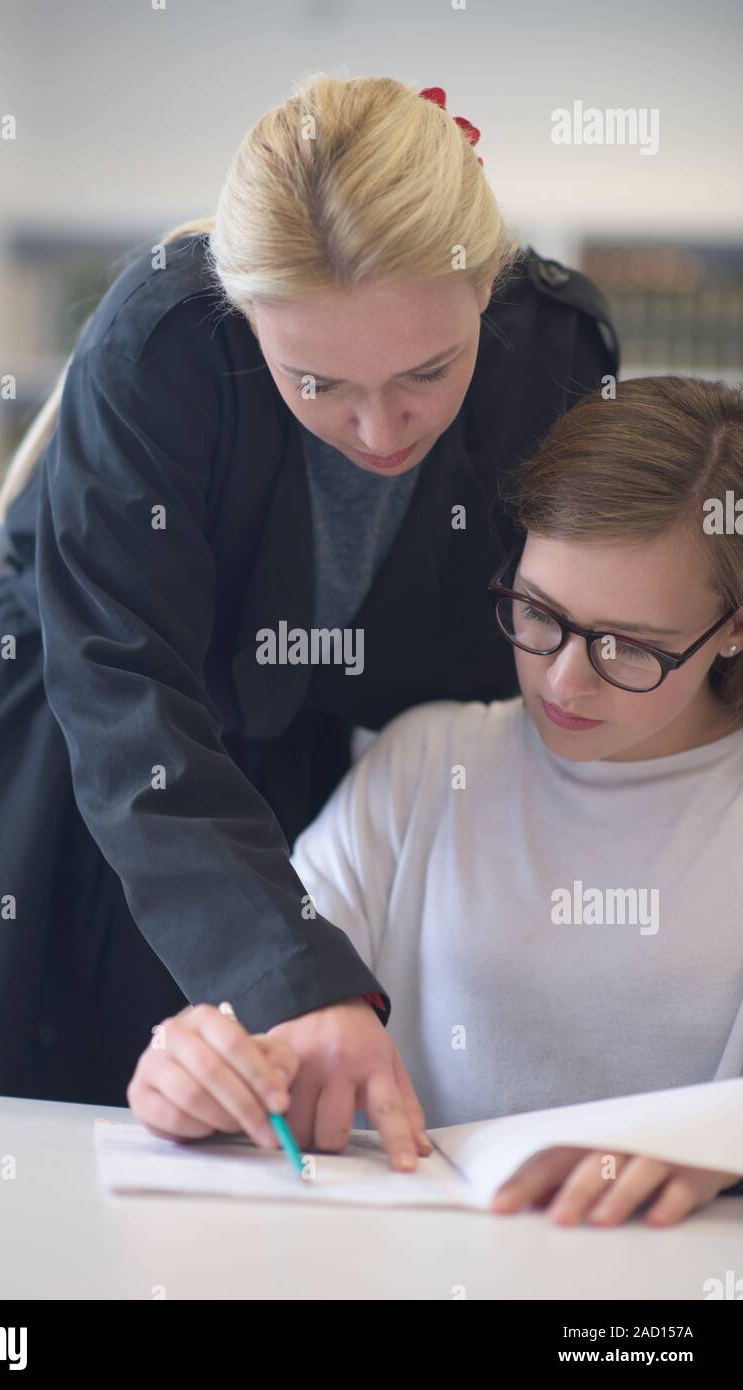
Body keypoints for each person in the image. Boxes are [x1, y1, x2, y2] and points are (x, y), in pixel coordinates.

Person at [0, 74, 617, 1171]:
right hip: (69, 747)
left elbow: (526, 643)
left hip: (303, 772)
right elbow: (120, 682)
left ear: (488, 287)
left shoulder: (552, 348)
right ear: (241, 310)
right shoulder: (165, 336)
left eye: (427, 370)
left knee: (254, 1157)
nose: (377, 428)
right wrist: (291, 970)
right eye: (316, 381)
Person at [139, 376, 743, 1225]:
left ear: (732, 628)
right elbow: (271, 1016)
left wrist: (715, 1146)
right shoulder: (428, 762)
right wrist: (202, 1073)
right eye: (539, 613)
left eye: (629, 647)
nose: (562, 681)